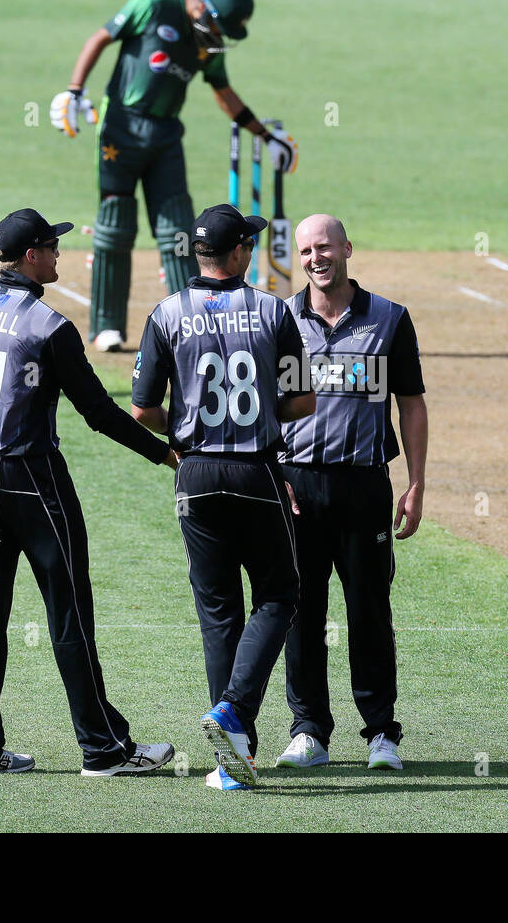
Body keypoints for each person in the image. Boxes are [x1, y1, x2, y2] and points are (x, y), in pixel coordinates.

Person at [0, 209, 177, 777]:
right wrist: (162, 452)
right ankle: (104, 750)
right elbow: (97, 412)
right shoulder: (48, 326)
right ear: (28, 258)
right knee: (69, 612)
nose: (58, 255)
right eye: (50, 247)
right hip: (35, 479)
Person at [130, 204, 314, 791]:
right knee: (281, 593)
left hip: (194, 472)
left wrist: (182, 428)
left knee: (218, 614)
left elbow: (142, 410)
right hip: (255, 472)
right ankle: (234, 710)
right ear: (236, 254)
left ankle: (231, 760)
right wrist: (261, 405)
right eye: (250, 246)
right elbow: (302, 401)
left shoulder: (166, 312)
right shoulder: (271, 311)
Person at [49, 0, 297, 352]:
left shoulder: (207, 47)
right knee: (116, 224)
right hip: (121, 127)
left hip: (166, 134)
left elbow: (224, 94)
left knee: (179, 228)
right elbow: (99, 38)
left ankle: (192, 318)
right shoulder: (154, 5)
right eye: (216, 24)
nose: (217, 35)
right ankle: (106, 327)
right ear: (200, 7)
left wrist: (265, 135)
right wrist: (74, 91)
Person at [273, 215, 427, 772]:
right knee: (300, 611)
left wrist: (416, 482)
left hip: (364, 486)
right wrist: (274, 475)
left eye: (326, 247)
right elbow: (264, 407)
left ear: (347, 249)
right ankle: (308, 731)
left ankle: (381, 733)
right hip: (296, 487)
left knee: (369, 611)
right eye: (307, 250)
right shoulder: (280, 318)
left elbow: (411, 401)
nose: (317, 258)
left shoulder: (389, 319)